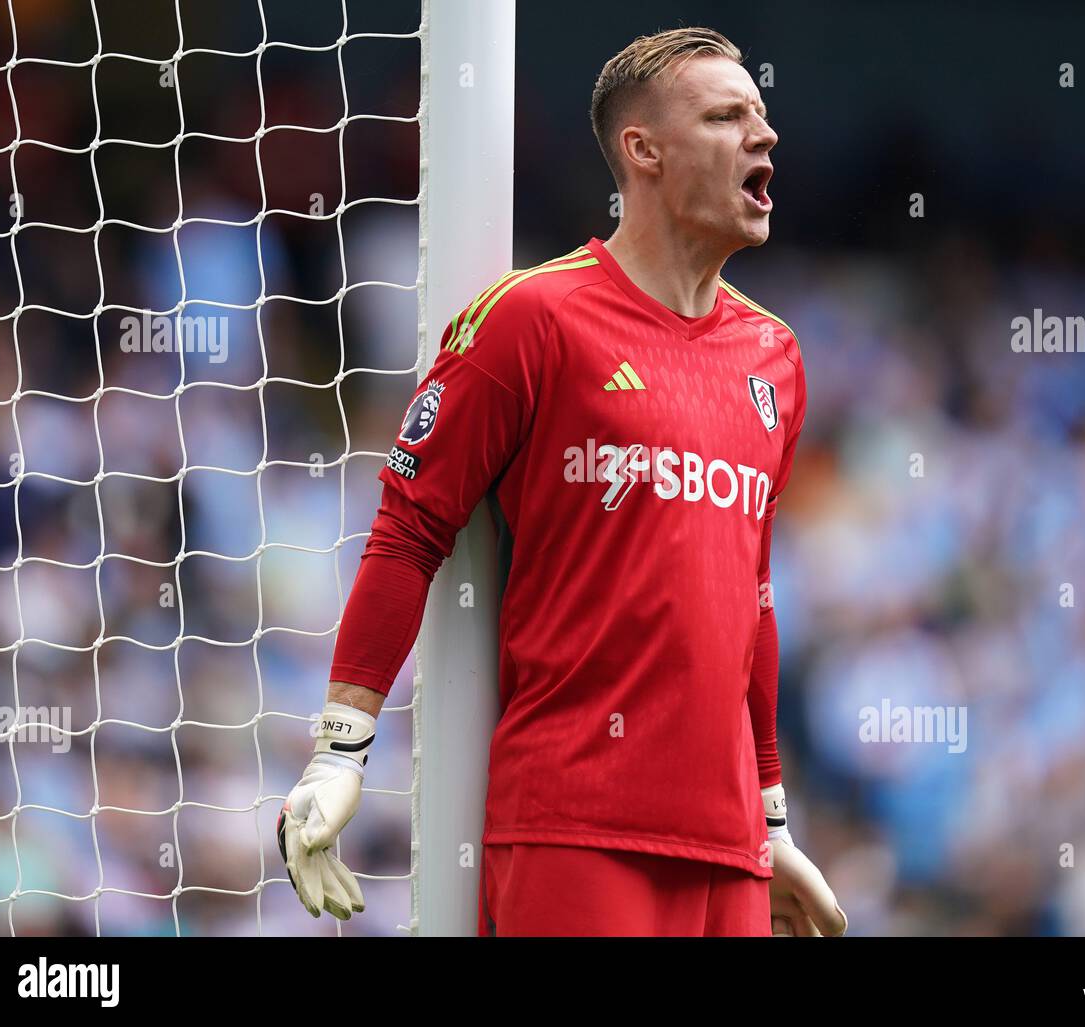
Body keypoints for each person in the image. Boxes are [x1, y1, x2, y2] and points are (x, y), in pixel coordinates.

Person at [277, 26, 846, 938]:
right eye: (727, 115)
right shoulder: (532, 318)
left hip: (731, 849)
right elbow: (406, 531)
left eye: (762, 116)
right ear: (643, 150)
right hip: (574, 829)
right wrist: (341, 752)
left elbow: (755, 599)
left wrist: (772, 818)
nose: (763, 135)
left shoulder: (774, 357)